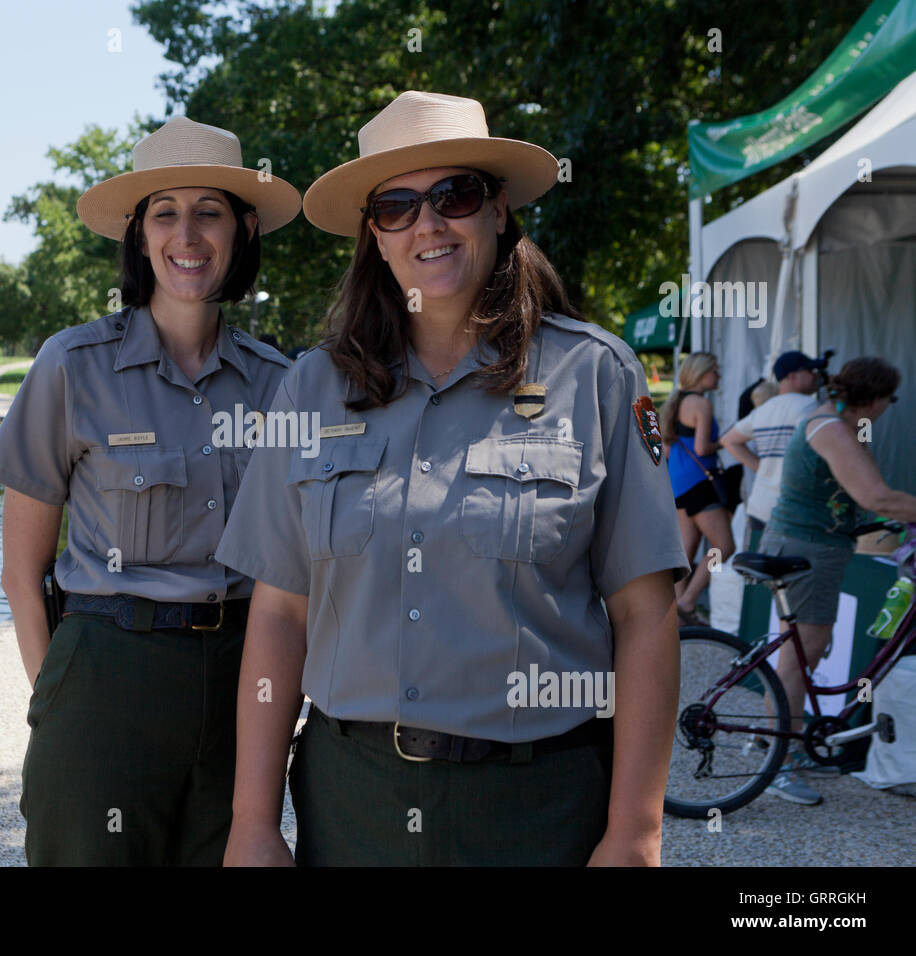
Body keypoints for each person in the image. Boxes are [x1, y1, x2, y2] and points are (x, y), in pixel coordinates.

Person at [215, 91, 689, 866]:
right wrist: (252, 822)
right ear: (375, 235)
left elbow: (645, 614)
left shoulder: (596, 374)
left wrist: (636, 832)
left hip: (537, 807)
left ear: (499, 209)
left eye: (454, 195)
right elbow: (277, 617)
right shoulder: (311, 389)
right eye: (396, 206)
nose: (428, 224)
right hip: (354, 804)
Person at [0, 116, 300, 865]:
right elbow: (22, 572)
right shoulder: (71, 366)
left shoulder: (282, 387)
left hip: (241, 683)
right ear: (139, 234)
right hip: (104, 676)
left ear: (244, 229)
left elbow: (293, 577)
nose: (186, 234)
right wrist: (59, 706)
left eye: (209, 212)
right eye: (164, 213)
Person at [756, 357, 916, 805]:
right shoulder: (832, 428)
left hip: (807, 544)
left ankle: (779, 740)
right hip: (808, 550)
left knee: (801, 653)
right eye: (889, 400)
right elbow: (876, 496)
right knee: (798, 660)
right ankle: (780, 763)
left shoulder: (838, 421)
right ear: (876, 397)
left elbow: (863, 485)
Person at [720, 350, 825, 545]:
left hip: (760, 507)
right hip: (795, 509)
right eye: (810, 371)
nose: (816, 375)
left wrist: (761, 468)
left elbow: (728, 440)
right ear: (792, 377)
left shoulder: (764, 409)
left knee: (762, 561)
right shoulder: (810, 406)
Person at [661, 351, 735, 624]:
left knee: (685, 551)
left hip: (678, 484)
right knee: (723, 546)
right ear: (702, 373)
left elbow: (667, 449)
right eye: (715, 370)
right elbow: (703, 448)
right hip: (699, 482)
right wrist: (724, 441)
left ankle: (677, 614)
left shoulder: (675, 403)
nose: (719, 375)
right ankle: (689, 601)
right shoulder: (701, 404)